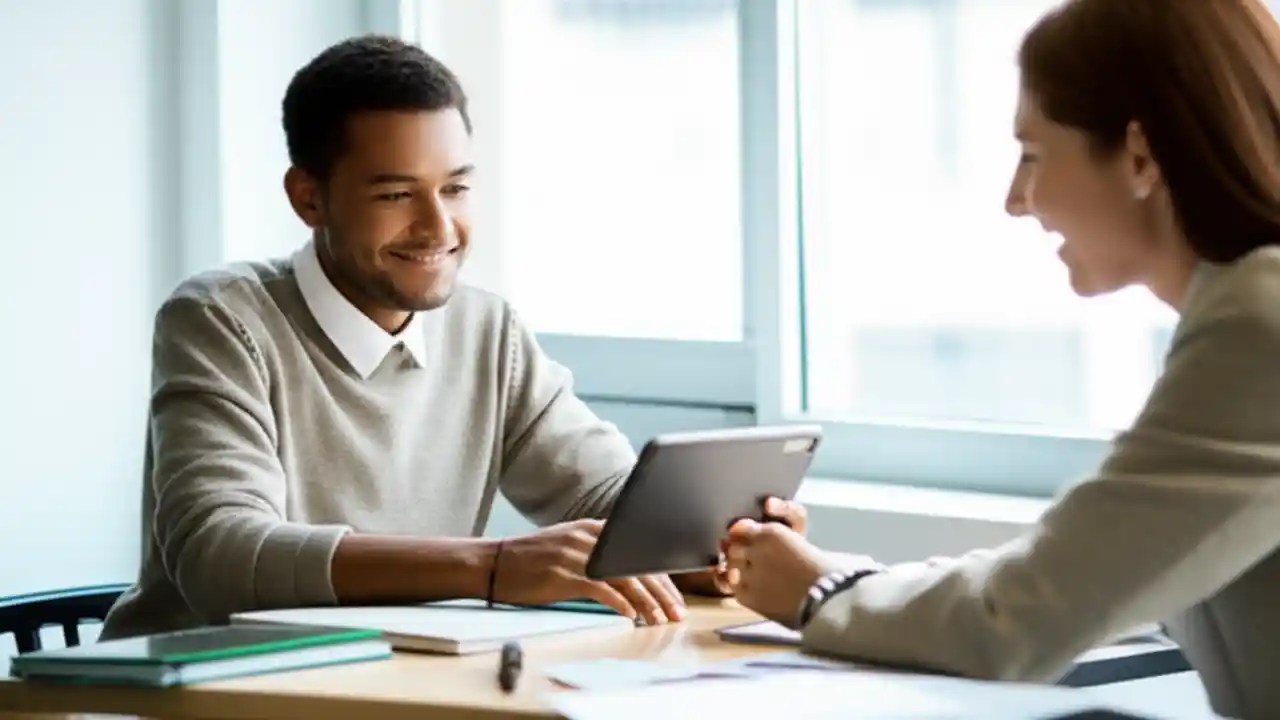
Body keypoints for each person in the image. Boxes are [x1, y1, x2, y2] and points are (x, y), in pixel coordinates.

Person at [102, 36, 805, 640]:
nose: (439, 229)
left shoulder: (486, 330)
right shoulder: (221, 319)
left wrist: (713, 547)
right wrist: (492, 566)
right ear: (308, 197)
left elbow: (611, 507)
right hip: (197, 696)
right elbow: (221, 556)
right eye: (396, 195)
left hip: (388, 688)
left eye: (457, 188)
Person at [724, 1, 1280, 717]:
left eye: (1033, 155)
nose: (1017, 201)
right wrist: (841, 578)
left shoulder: (1257, 324)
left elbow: (1018, 621)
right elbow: (1075, 569)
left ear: (1140, 156)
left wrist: (821, 592)